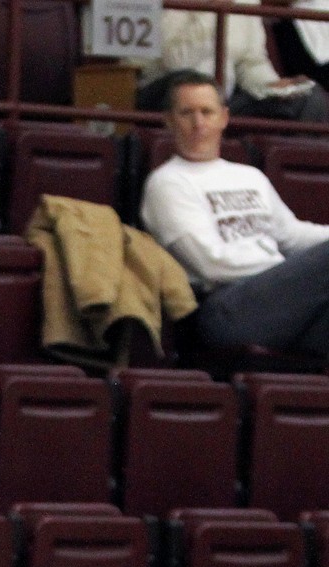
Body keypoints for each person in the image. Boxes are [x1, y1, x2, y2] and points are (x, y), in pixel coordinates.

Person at [141, 69, 329, 357]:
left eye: (207, 112)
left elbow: (292, 235)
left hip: (277, 301)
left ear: (224, 118)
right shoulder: (166, 183)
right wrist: (284, 272)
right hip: (224, 309)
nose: (198, 123)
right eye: (186, 113)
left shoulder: (249, 176)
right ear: (168, 121)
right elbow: (210, 264)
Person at [132, 0, 329, 123]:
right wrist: (211, 9)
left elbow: (251, 61)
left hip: (223, 101)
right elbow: (176, 61)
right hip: (165, 92)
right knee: (192, 81)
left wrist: (273, 85)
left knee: (310, 99)